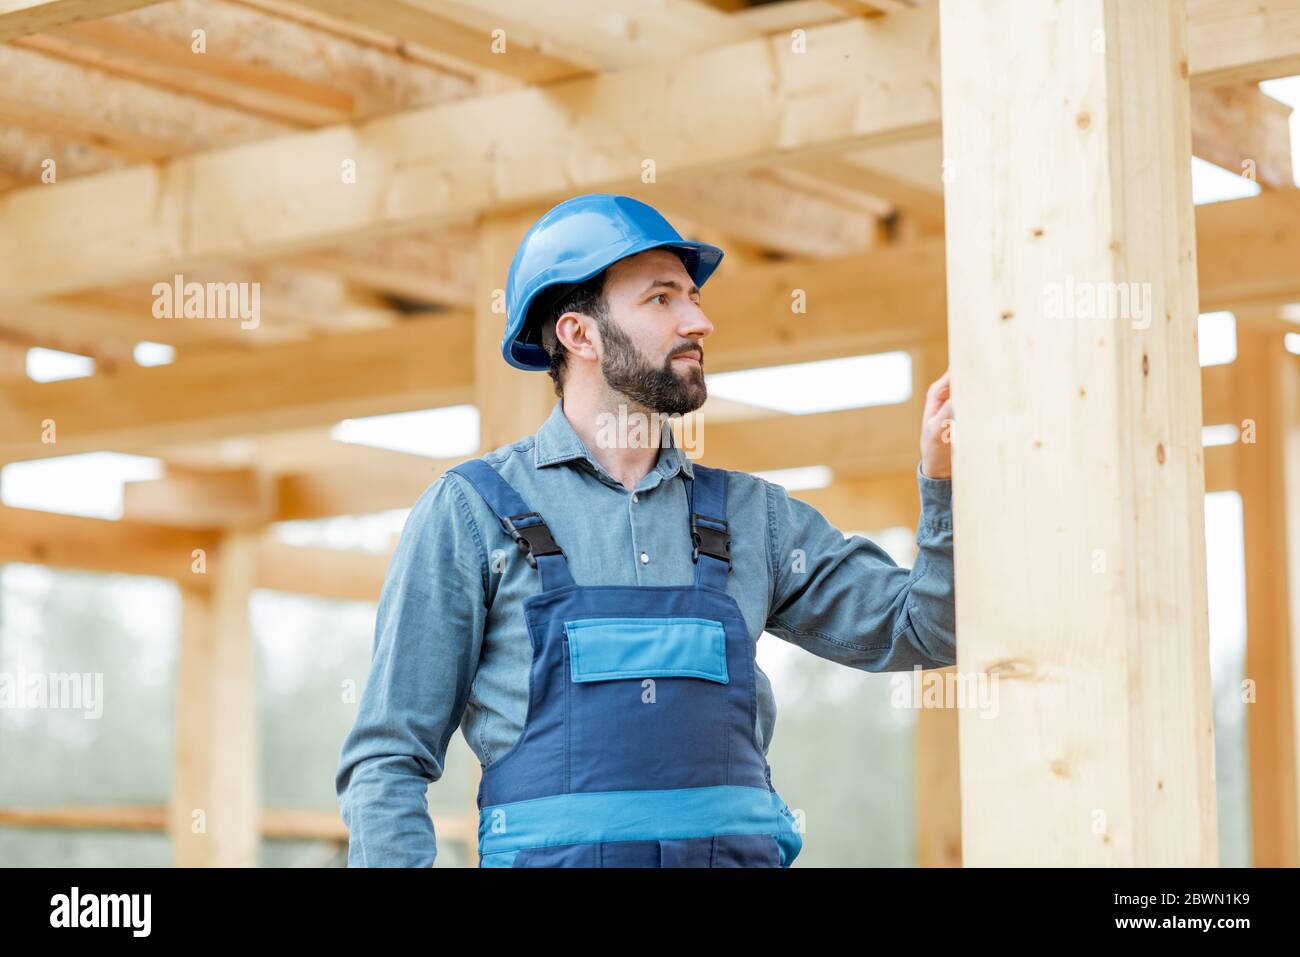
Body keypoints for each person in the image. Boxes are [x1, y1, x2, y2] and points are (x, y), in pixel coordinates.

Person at [335, 193, 956, 867]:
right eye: (662, 299)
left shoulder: (755, 517)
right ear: (580, 335)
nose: (700, 321)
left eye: (693, 297)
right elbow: (388, 760)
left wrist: (945, 480)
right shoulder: (471, 514)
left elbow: (929, 627)